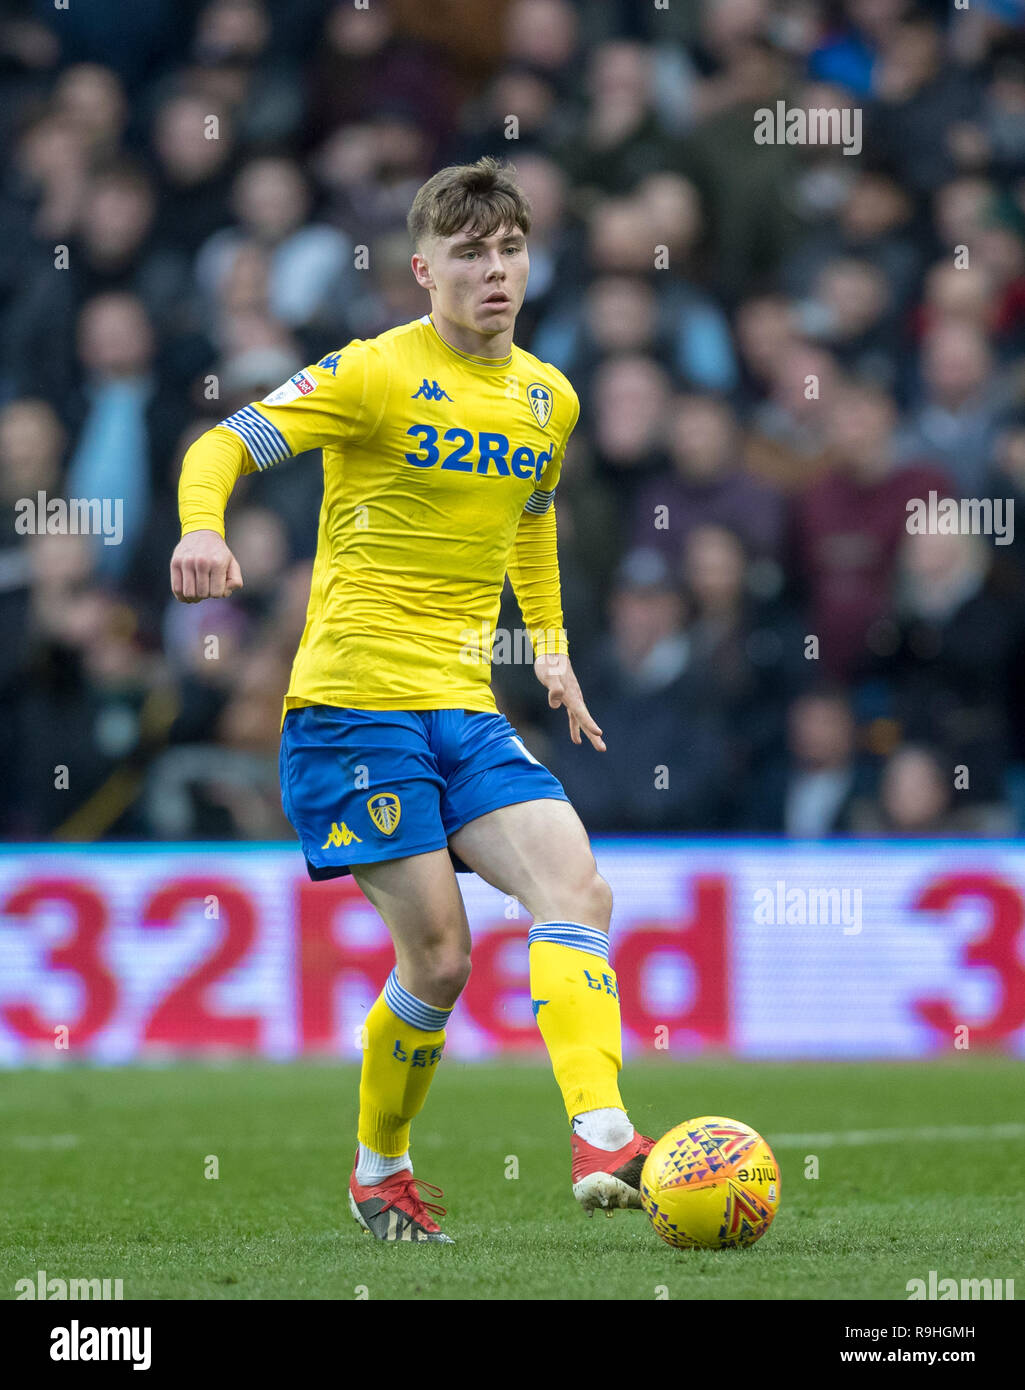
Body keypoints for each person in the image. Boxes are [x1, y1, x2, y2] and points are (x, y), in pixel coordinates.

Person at [169, 157, 653, 1243]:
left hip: (464, 703)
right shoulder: (372, 372)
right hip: (350, 707)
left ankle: (602, 1136)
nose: (495, 271)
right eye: (471, 252)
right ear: (421, 266)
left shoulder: (549, 396)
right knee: (438, 955)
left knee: (577, 888)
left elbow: (529, 517)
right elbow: (220, 443)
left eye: (511, 248)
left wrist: (551, 650)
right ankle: (378, 1168)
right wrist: (203, 526)